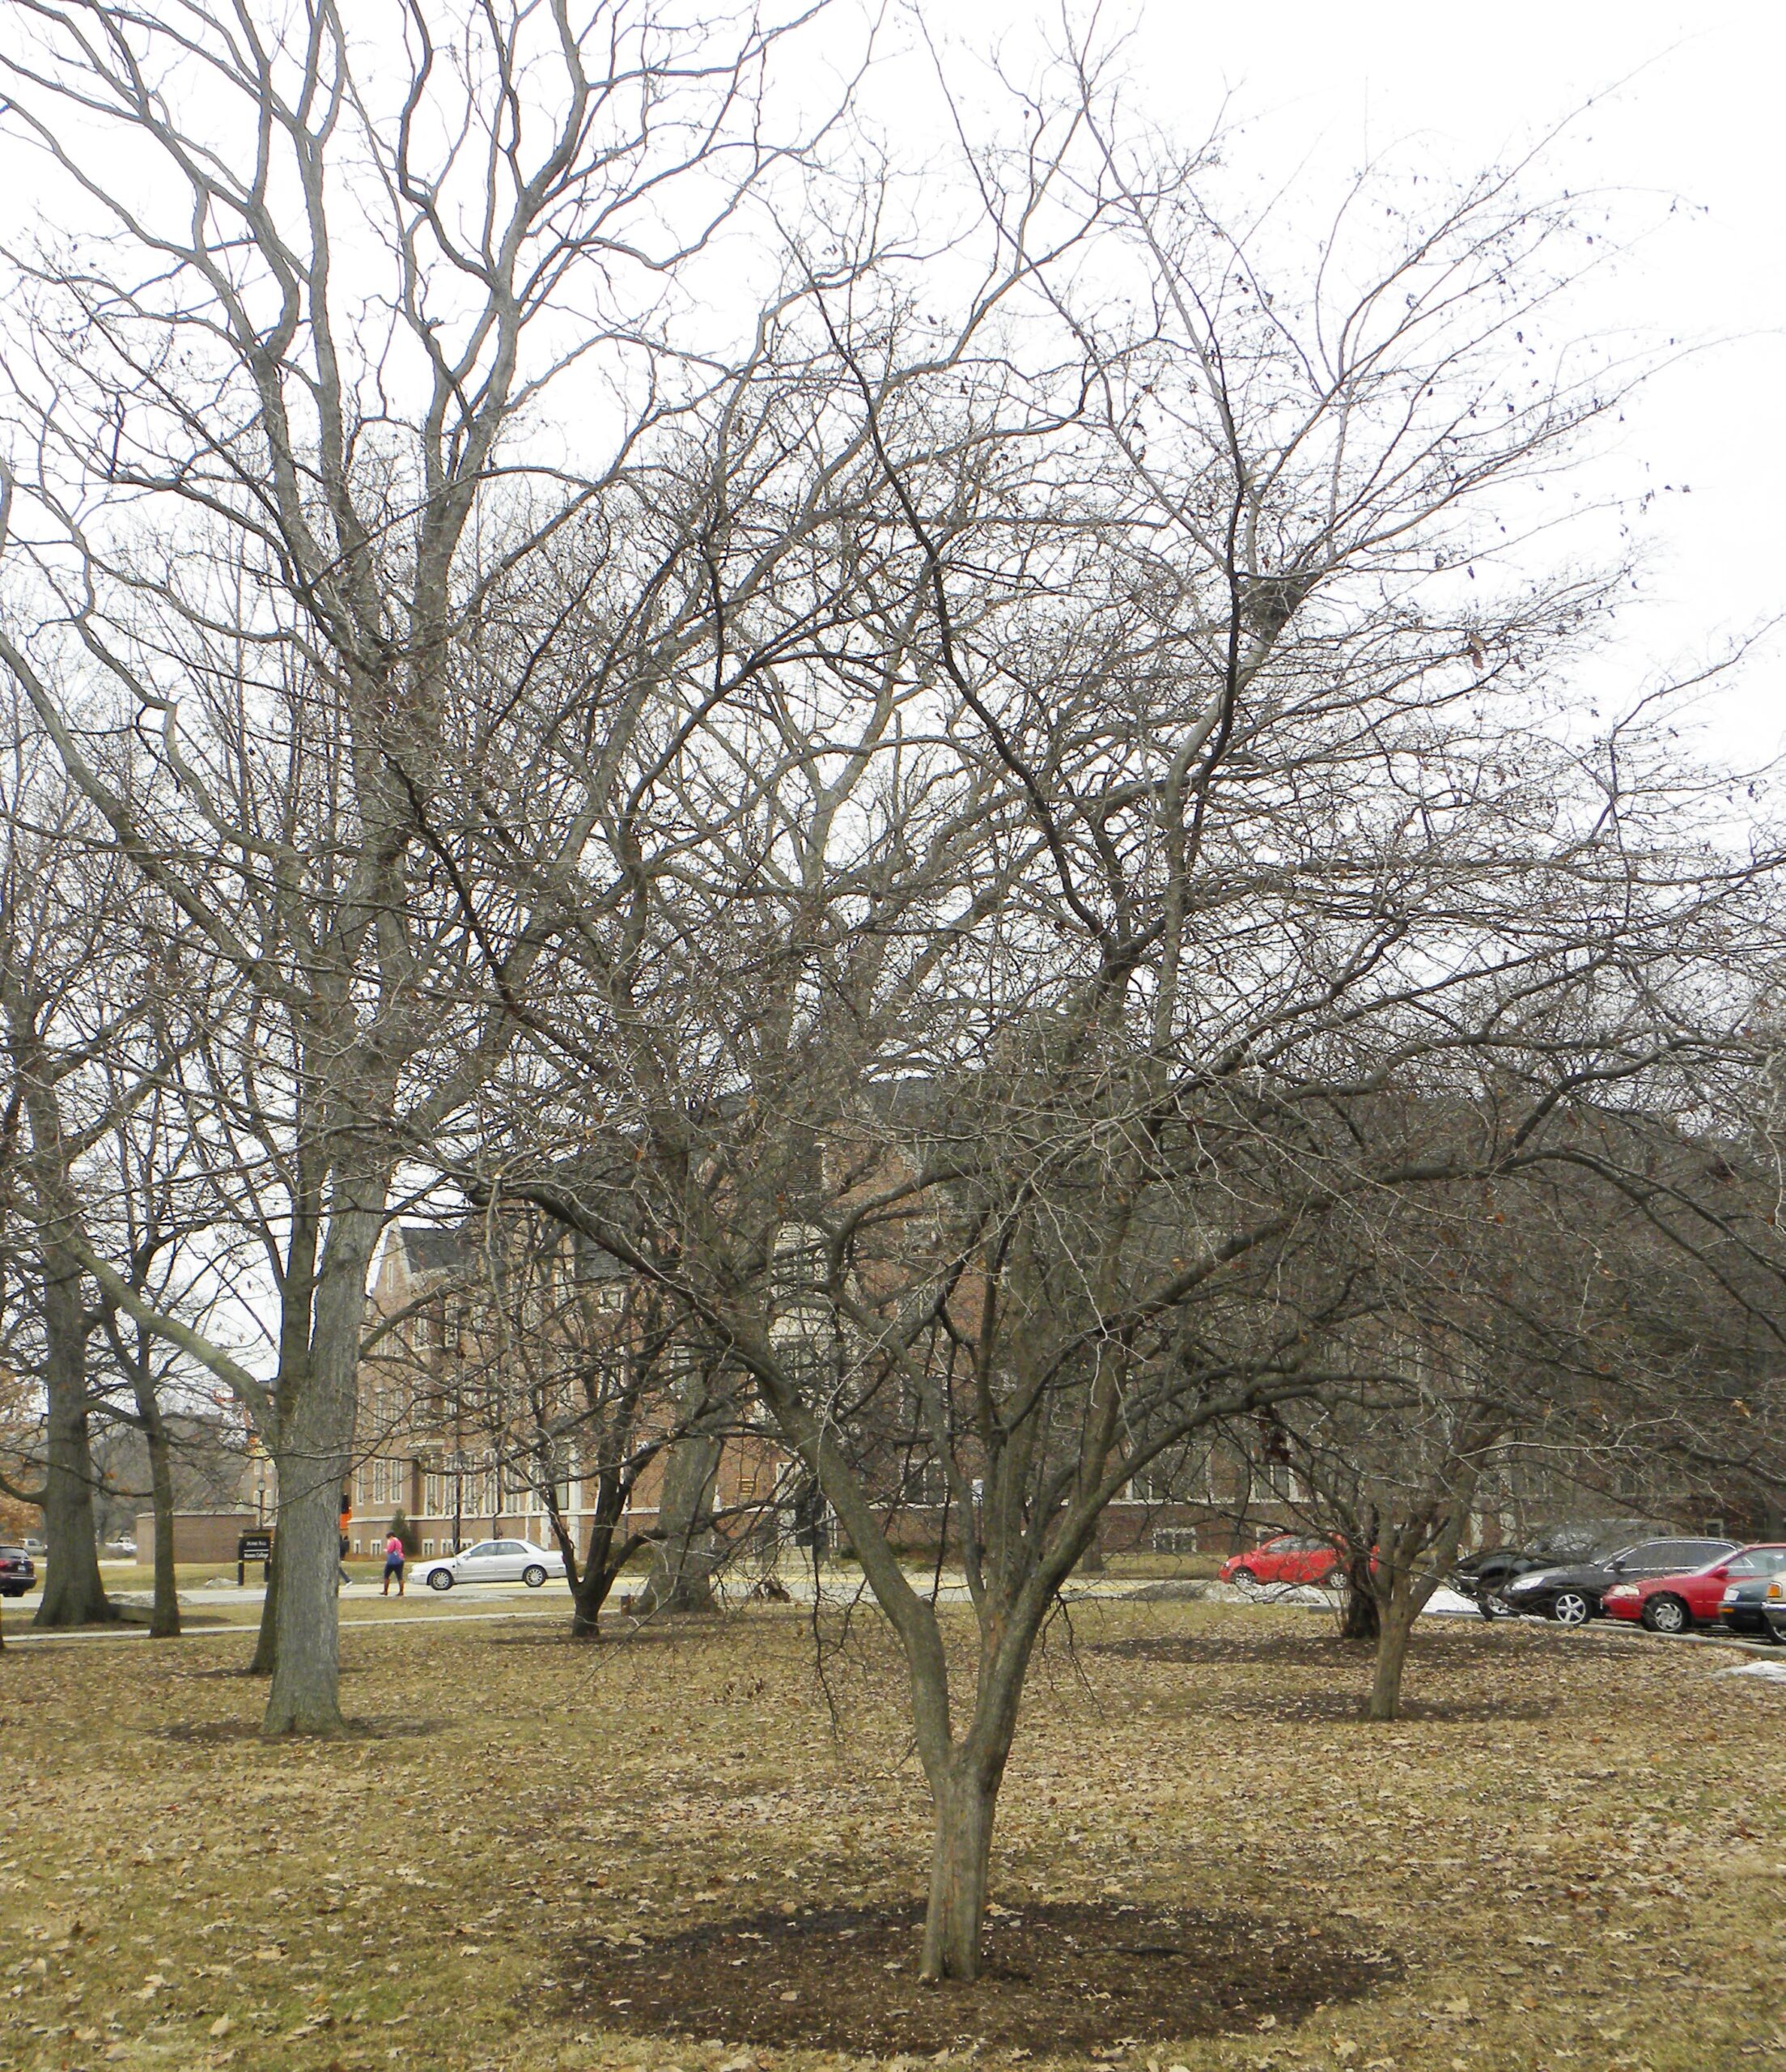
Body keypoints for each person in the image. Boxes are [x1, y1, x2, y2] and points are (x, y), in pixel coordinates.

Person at [381, 1530, 406, 1598]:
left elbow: (390, 1550)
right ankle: (401, 1591)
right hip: (400, 1560)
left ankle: (385, 1590)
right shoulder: (398, 1541)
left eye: (388, 1538)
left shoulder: (392, 1541)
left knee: (386, 1575)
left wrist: (385, 1550)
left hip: (392, 1561)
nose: (388, 1539)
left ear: (391, 1536)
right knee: (400, 1576)